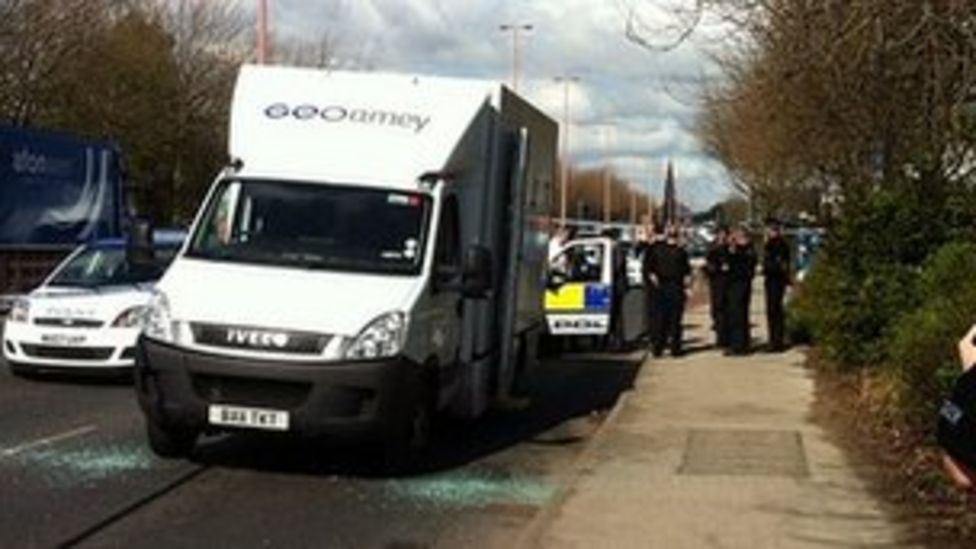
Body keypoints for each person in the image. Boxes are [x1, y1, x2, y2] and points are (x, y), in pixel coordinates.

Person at [645, 224, 692, 357]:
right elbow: (650, 269)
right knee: (664, 320)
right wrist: (654, 280)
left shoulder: (681, 251)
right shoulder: (657, 248)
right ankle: (660, 348)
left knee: (674, 320)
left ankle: (673, 348)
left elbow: (686, 271)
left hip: (674, 286)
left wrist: (687, 286)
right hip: (663, 286)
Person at [725, 226, 756, 355]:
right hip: (734, 284)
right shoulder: (739, 250)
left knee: (738, 315)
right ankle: (740, 344)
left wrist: (734, 251)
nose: (734, 238)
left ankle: (739, 346)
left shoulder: (747, 250)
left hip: (740, 284)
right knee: (737, 315)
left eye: (736, 236)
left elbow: (742, 267)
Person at [762, 222, 791, 352]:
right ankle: (774, 340)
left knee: (775, 310)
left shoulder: (779, 245)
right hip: (771, 280)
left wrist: (768, 267)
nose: (768, 232)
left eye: (770, 230)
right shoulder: (770, 244)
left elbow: (780, 265)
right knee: (772, 310)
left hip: (776, 280)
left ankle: (776, 342)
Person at [705, 227, 731, 348]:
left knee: (727, 311)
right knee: (717, 310)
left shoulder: (730, 249)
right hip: (716, 282)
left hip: (728, 283)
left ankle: (724, 337)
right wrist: (716, 268)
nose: (722, 237)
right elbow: (708, 266)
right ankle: (720, 336)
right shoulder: (712, 249)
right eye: (720, 234)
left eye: (724, 234)